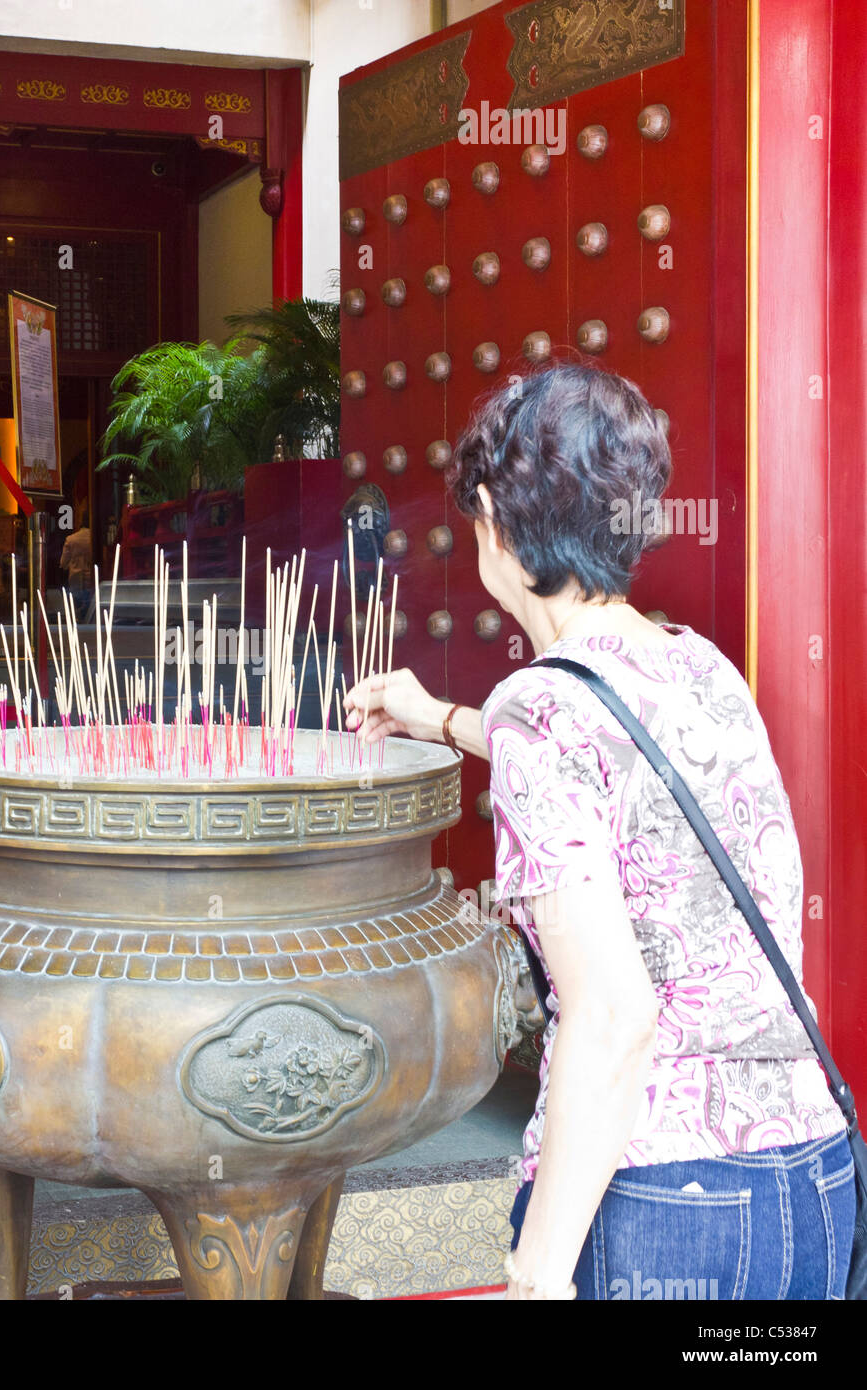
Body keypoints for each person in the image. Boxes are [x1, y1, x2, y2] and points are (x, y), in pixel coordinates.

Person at [344, 364, 853, 1300]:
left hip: (672, 1203)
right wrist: (445, 718)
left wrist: (535, 1276)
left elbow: (614, 1017)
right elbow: (608, 763)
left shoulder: (543, 712)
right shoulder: (702, 670)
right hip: (812, 1178)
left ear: (494, 515)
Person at [61, 504, 93, 620]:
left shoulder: (71, 539)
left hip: (75, 580)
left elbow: (63, 563)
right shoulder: (95, 538)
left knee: (77, 613)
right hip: (92, 580)